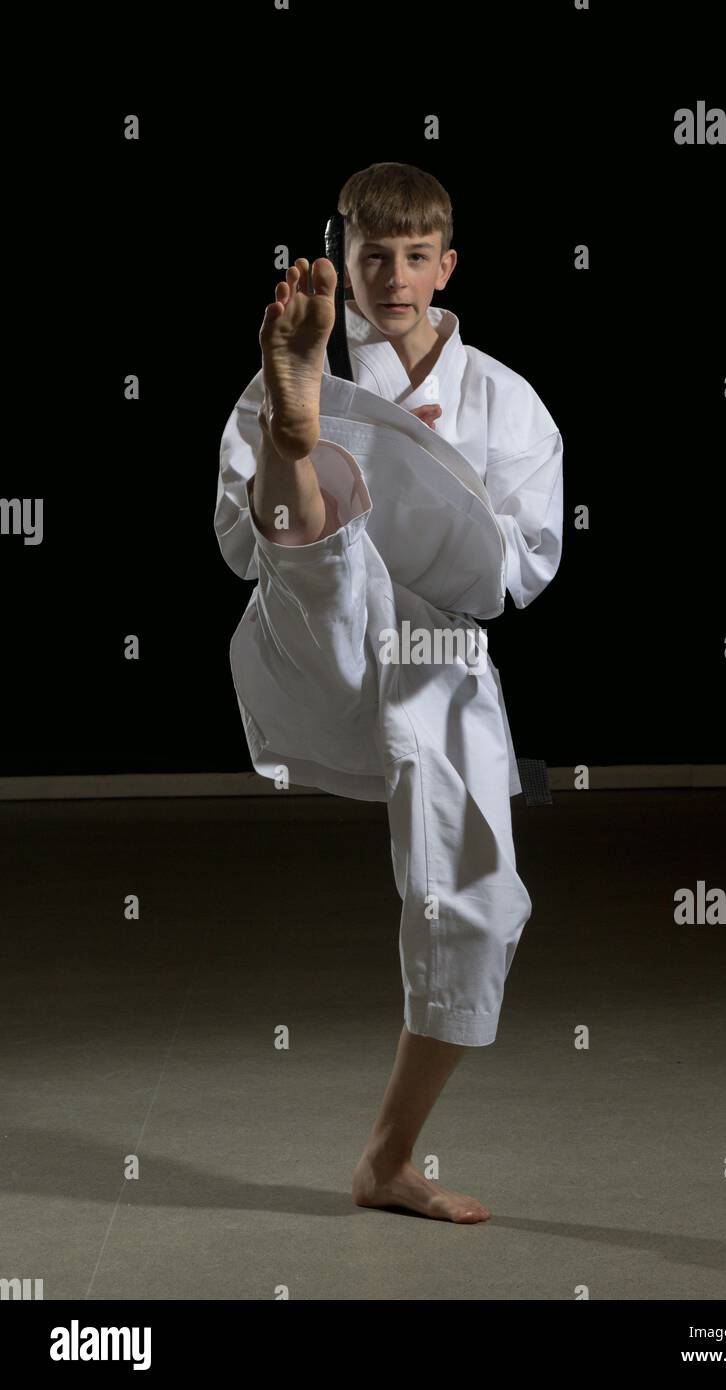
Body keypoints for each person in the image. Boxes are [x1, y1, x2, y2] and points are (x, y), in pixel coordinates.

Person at [215, 163, 563, 1222]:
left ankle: (386, 1159)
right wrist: (300, 405)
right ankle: (300, 431)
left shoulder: (504, 399)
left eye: (416, 256)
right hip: (316, 629)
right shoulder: (309, 356)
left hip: (438, 657)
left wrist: (415, 477)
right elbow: (244, 545)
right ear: (344, 258)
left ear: (446, 265)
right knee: (309, 545)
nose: (395, 275)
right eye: (373, 255)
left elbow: (508, 576)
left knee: (479, 907)